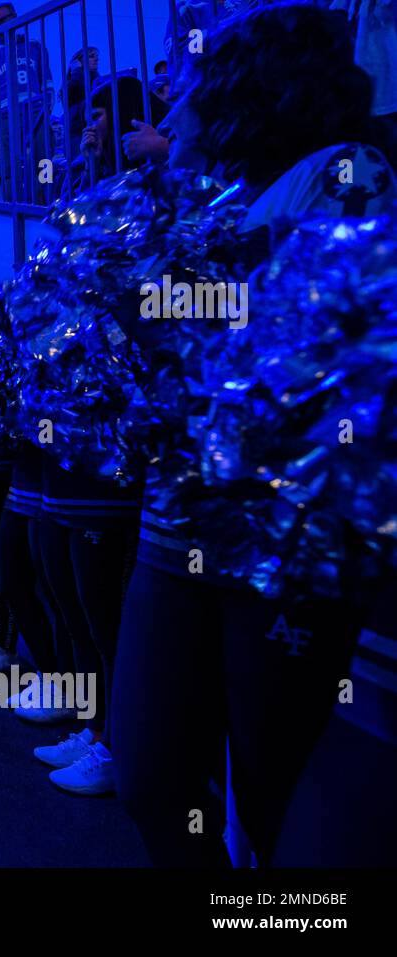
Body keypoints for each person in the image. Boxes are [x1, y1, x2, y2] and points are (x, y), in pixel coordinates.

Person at [110, 4, 397, 864]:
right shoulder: (206, 200)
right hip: (178, 522)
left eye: (189, 90)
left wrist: (161, 302)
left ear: (245, 90)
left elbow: (318, 339)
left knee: (271, 804)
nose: (171, 112)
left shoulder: (346, 171)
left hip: (283, 542)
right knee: (152, 776)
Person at [0, 2, 55, 202]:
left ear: (15, 18)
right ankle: (12, 207)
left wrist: (47, 108)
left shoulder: (35, 47)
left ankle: (43, 203)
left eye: (5, 19)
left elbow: (48, 83)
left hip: (36, 110)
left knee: (44, 159)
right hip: (3, 116)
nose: (1, 25)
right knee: (7, 164)